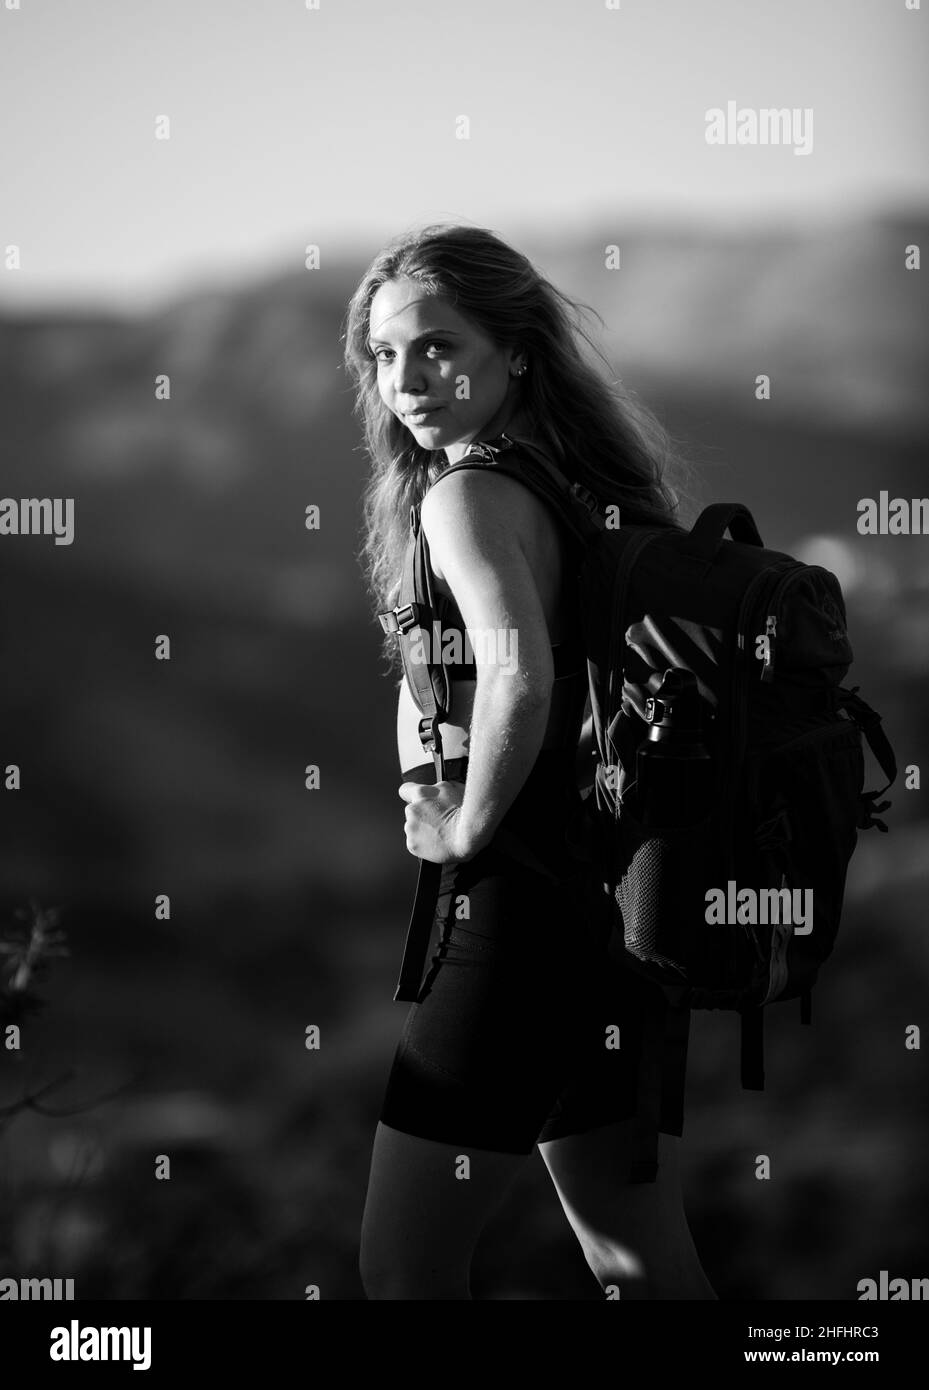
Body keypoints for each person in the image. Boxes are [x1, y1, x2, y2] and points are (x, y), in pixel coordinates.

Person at [343, 223, 717, 1301]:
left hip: (520, 922)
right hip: (618, 913)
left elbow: (519, 673)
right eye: (382, 355)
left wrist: (464, 828)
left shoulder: (462, 494)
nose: (405, 378)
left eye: (435, 346)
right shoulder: (568, 481)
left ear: (514, 352)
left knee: (402, 1266)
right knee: (635, 1255)